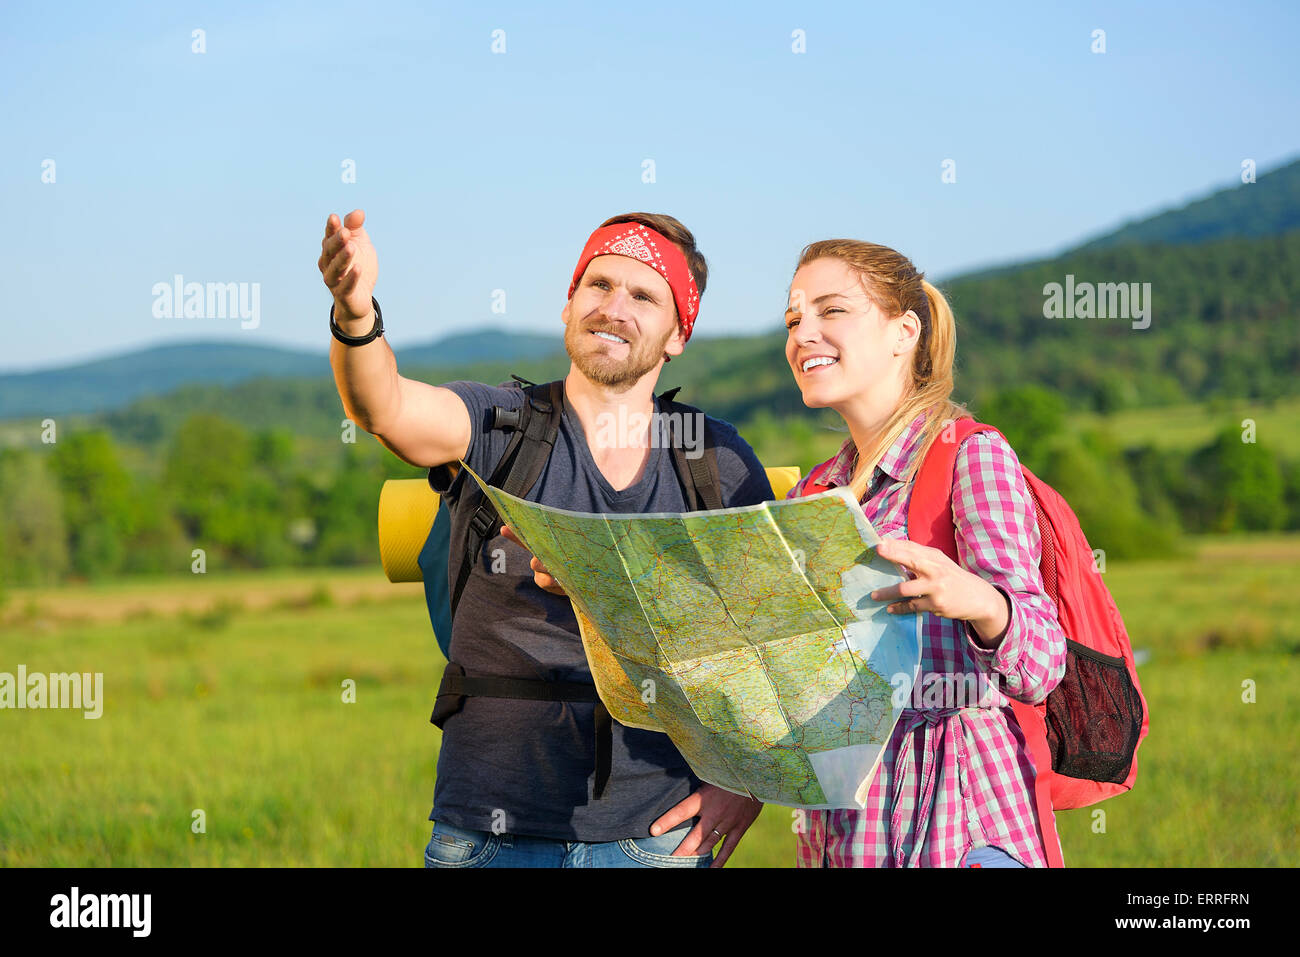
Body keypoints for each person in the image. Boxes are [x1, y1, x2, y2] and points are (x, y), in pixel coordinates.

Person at [318, 209, 772, 867]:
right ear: (568, 306)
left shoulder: (715, 460)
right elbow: (382, 406)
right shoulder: (500, 425)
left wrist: (745, 780)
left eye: (643, 296)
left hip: (655, 838)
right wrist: (356, 314)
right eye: (598, 285)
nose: (613, 307)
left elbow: (773, 637)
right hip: (488, 833)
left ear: (677, 335)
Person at [781, 240, 1068, 867]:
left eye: (832, 311)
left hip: (958, 819)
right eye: (794, 318)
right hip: (849, 831)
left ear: (903, 332)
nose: (805, 333)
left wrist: (985, 605)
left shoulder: (970, 456)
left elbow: (1043, 665)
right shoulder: (815, 492)